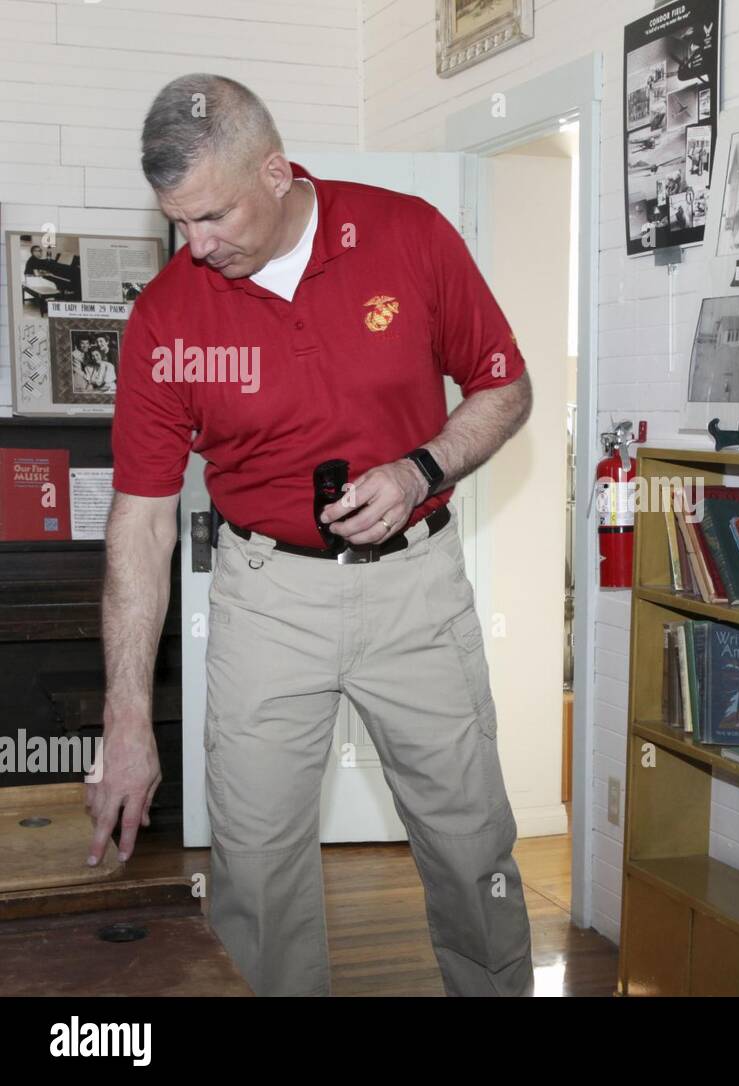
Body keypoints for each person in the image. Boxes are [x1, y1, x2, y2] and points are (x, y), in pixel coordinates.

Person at [90, 74, 536, 998]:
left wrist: (422, 468)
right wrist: (127, 712)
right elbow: (142, 515)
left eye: (212, 216)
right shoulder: (168, 314)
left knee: (470, 845)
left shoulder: (408, 234)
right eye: (177, 221)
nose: (194, 245)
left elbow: (504, 385)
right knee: (254, 868)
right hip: (265, 600)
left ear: (279, 170)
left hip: (416, 591)